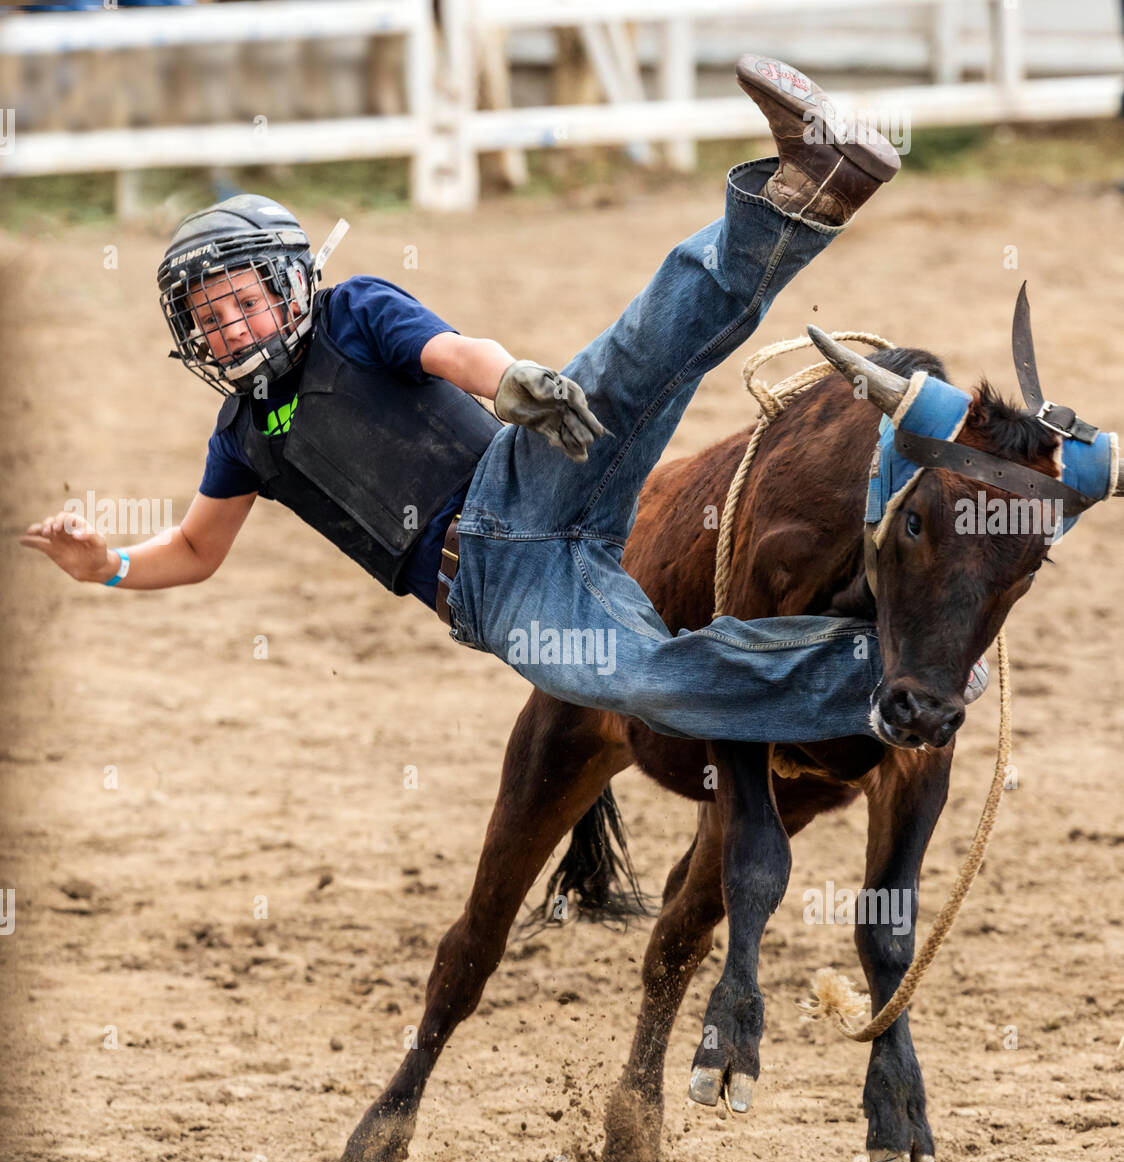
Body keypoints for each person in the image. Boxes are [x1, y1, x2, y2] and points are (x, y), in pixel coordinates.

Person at [21, 55, 986, 745]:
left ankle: (807, 190)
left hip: (520, 477)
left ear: (288, 283)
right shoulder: (241, 439)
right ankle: (895, 684)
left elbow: (448, 351)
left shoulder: (353, 311)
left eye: (240, 299)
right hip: (491, 594)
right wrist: (100, 566)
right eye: (207, 315)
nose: (228, 327)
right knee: (651, 684)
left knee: (646, 353)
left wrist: (512, 382)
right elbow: (192, 552)